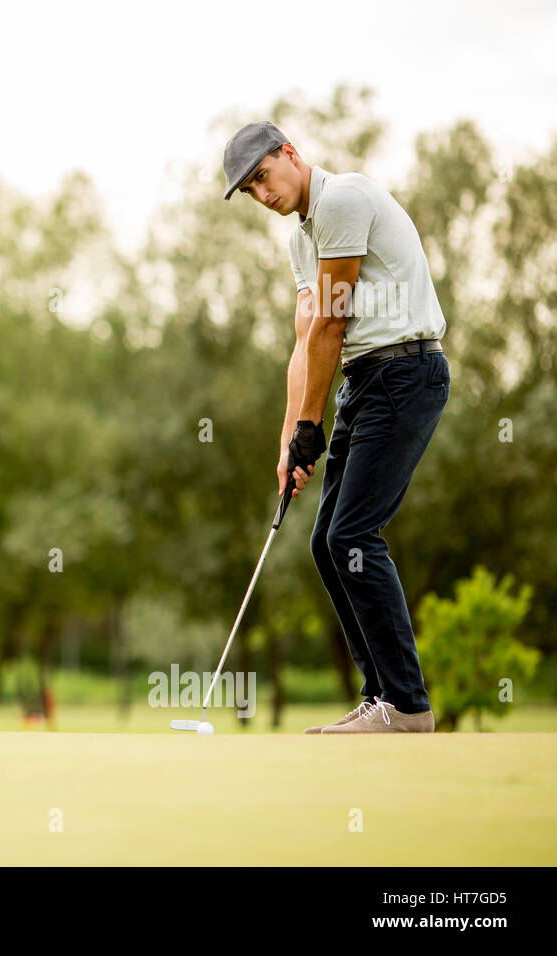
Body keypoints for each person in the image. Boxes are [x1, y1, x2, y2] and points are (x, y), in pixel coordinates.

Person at [222, 121, 449, 733]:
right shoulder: (302, 240)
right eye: (250, 192)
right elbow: (304, 338)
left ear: (291, 155)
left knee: (353, 535)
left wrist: (313, 423)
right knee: (327, 542)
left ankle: (407, 707)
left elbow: (330, 322)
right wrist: (290, 437)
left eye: (263, 177)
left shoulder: (343, 200)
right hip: (363, 382)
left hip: (407, 373)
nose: (262, 196)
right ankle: (382, 700)